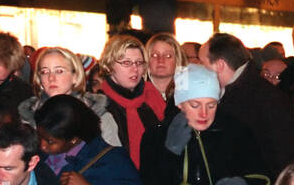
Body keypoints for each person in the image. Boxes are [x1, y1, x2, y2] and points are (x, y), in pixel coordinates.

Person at [141, 64, 269, 185]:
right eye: (195, 105)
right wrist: (169, 154)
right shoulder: (156, 136)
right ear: (179, 103)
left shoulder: (237, 132)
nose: (204, 114)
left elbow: (263, 176)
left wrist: (244, 184)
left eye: (211, 105)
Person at [199, 33, 294, 179]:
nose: (198, 70)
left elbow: (286, 157)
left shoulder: (260, 99)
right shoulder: (244, 92)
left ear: (219, 65)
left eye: (202, 64)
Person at [18, 46, 121, 147]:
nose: (51, 78)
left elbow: (113, 159)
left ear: (75, 76)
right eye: (44, 72)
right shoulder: (27, 117)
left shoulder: (99, 114)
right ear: (39, 79)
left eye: (59, 71)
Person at [97, 33, 166, 169]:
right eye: (126, 63)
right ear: (109, 66)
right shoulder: (99, 106)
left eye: (139, 63)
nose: (135, 69)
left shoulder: (153, 98)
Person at [145, 34, 185, 103]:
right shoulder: (135, 95)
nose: (160, 60)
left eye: (168, 56)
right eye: (154, 55)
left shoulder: (189, 96)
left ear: (177, 60)